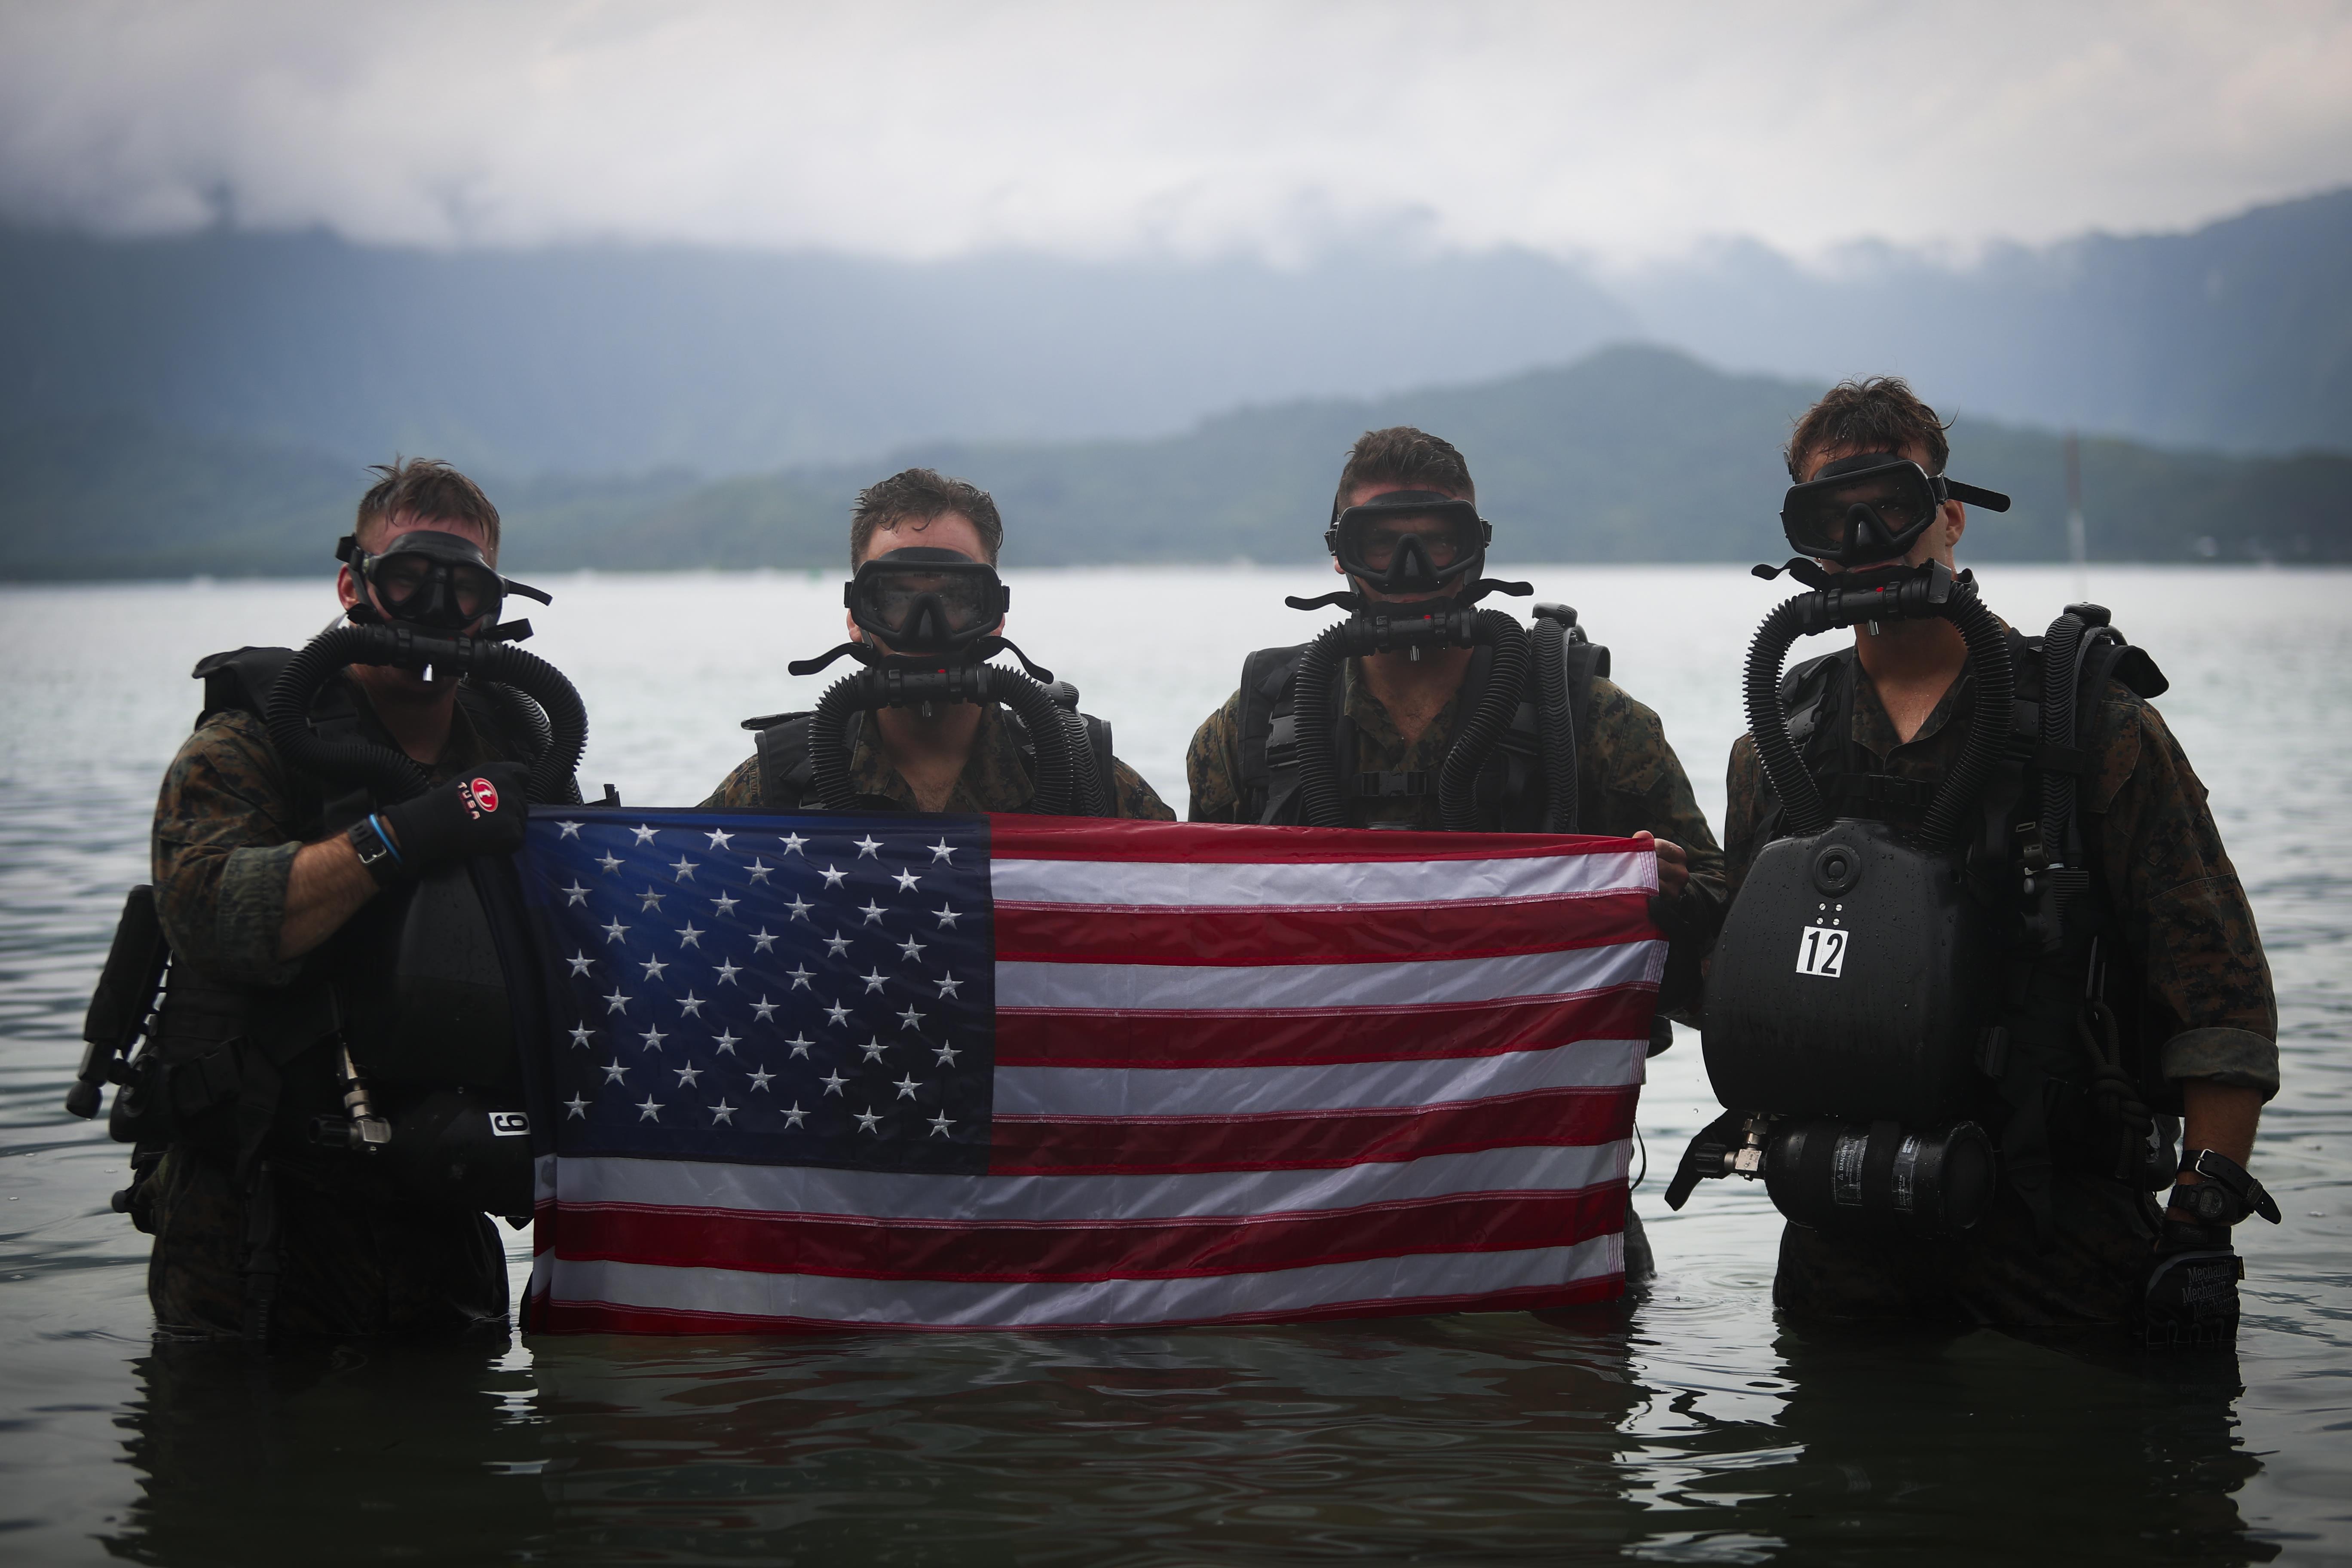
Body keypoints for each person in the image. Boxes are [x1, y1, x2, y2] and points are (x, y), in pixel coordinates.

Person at [1709, 377, 2278, 1339]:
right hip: (1844, 1233)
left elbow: (2219, 994)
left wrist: (2201, 1220)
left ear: (1950, 518)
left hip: (2061, 1232)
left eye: (1891, 507)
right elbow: (1746, 983)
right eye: (1832, 516)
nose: (1864, 540)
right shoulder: (1780, 744)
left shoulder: (2088, 727)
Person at [1187, 428, 1729, 1280]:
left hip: (1539, 1177)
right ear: (1340, 556)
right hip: (1316, 1182)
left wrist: (1664, 886)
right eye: (1382, 543)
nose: (1411, 569)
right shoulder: (1254, 731)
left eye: (1438, 542)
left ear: (1477, 551)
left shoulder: (1584, 716)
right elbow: (1191, 939)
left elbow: (1721, 908)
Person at [111, 458, 581, 1340]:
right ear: (354, 586)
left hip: (444, 1211)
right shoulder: (254, 741)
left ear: (493, 608)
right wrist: (405, 834)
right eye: (409, 580)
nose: (437, 610)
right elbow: (211, 917)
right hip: (256, 1223)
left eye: (464, 590)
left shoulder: (519, 750)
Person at [706, 468, 1174, 819]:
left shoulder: (1082, 777)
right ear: (856, 617)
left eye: (955, 599)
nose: (925, 629)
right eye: (896, 599)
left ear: (995, 617)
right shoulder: (776, 788)